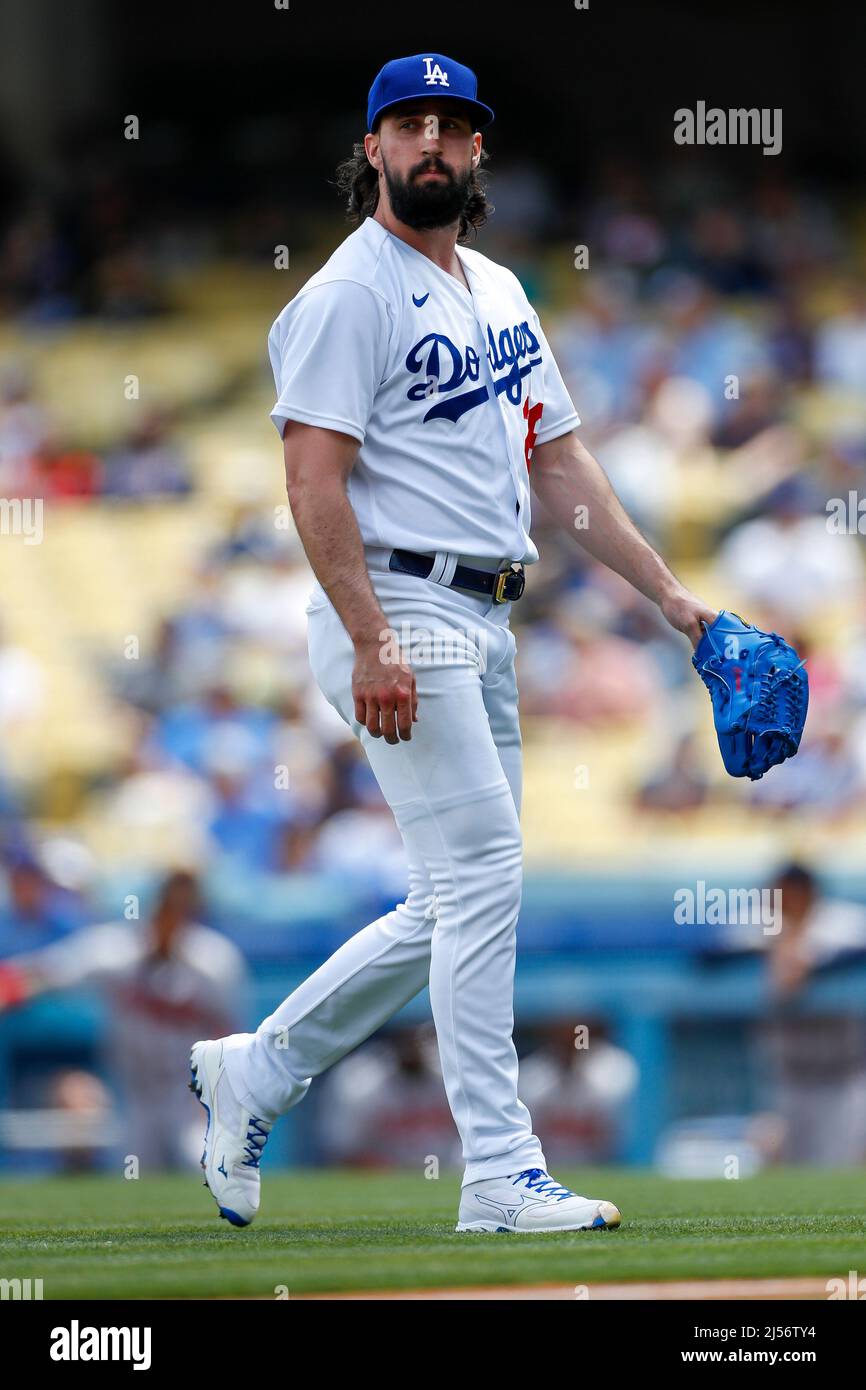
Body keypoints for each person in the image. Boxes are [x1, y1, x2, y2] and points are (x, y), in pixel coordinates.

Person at [189, 52, 716, 1234]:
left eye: (451, 125)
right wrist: (371, 636)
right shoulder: (345, 295)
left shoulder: (497, 290)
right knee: (484, 878)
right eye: (407, 123)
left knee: (450, 897)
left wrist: (674, 603)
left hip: (485, 611)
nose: (430, 141)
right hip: (396, 607)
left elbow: (562, 469)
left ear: (477, 153)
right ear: (371, 149)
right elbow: (310, 480)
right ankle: (496, 1173)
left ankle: (257, 1069)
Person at [0, 870, 248, 1170]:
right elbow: (43, 972)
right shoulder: (115, 950)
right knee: (134, 1179)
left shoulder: (215, 959)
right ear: (156, 907)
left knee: (206, 1168)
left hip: (189, 1098)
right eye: (170, 906)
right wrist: (9, 989)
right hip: (135, 1098)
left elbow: (233, 1035)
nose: (175, 915)